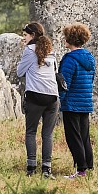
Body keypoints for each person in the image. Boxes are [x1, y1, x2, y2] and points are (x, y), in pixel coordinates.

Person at [16, 22, 59, 178]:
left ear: (32, 35)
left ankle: (31, 168)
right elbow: (55, 72)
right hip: (53, 96)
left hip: (35, 95)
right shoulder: (50, 50)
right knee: (47, 134)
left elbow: (20, 72)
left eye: (25, 35)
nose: (24, 38)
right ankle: (47, 169)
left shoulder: (29, 50)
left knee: (31, 132)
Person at [58, 23, 96, 178]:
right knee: (84, 136)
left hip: (72, 103)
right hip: (85, 102)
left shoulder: (69, 59)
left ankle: (81, 170)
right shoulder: (90, 58)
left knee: (73, 137)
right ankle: (89, 166)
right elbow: (91, 79)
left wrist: (60, 101)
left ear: (70, 39)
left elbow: (64, 83)